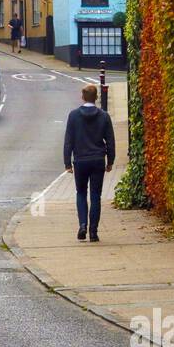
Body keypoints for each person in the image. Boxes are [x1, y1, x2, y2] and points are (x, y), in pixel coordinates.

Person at [63, 84, 115, 242]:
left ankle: (83, 225)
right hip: (98, 160)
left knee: (80, 193)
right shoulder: (104, 116)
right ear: (97, 97)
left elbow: (68, 141)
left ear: (83, 97)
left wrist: (67, 163)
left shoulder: (73, 116)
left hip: (80, 161)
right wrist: (110, 161)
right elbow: (111, 141)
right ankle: (93, 232)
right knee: (96, 196)